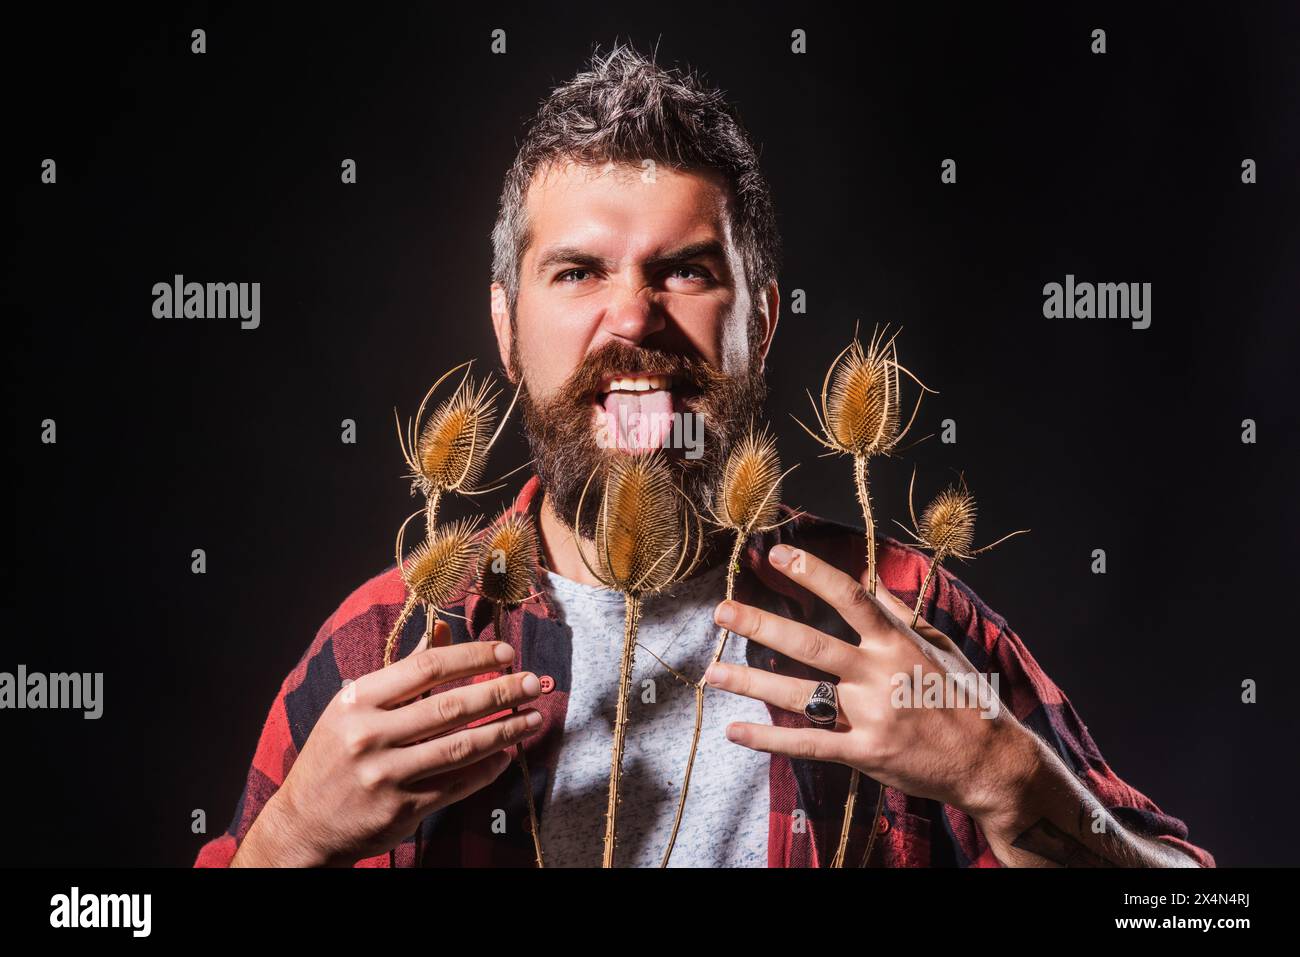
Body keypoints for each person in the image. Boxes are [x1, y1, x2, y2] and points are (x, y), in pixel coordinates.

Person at [195, 44, 1213, 868]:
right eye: (578, 271)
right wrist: (288, 844)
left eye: (683, 271)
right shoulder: (387, 643)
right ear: (506, 329)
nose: (631, 315)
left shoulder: (903, 623)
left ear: (759, 325)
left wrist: (1013, 780)